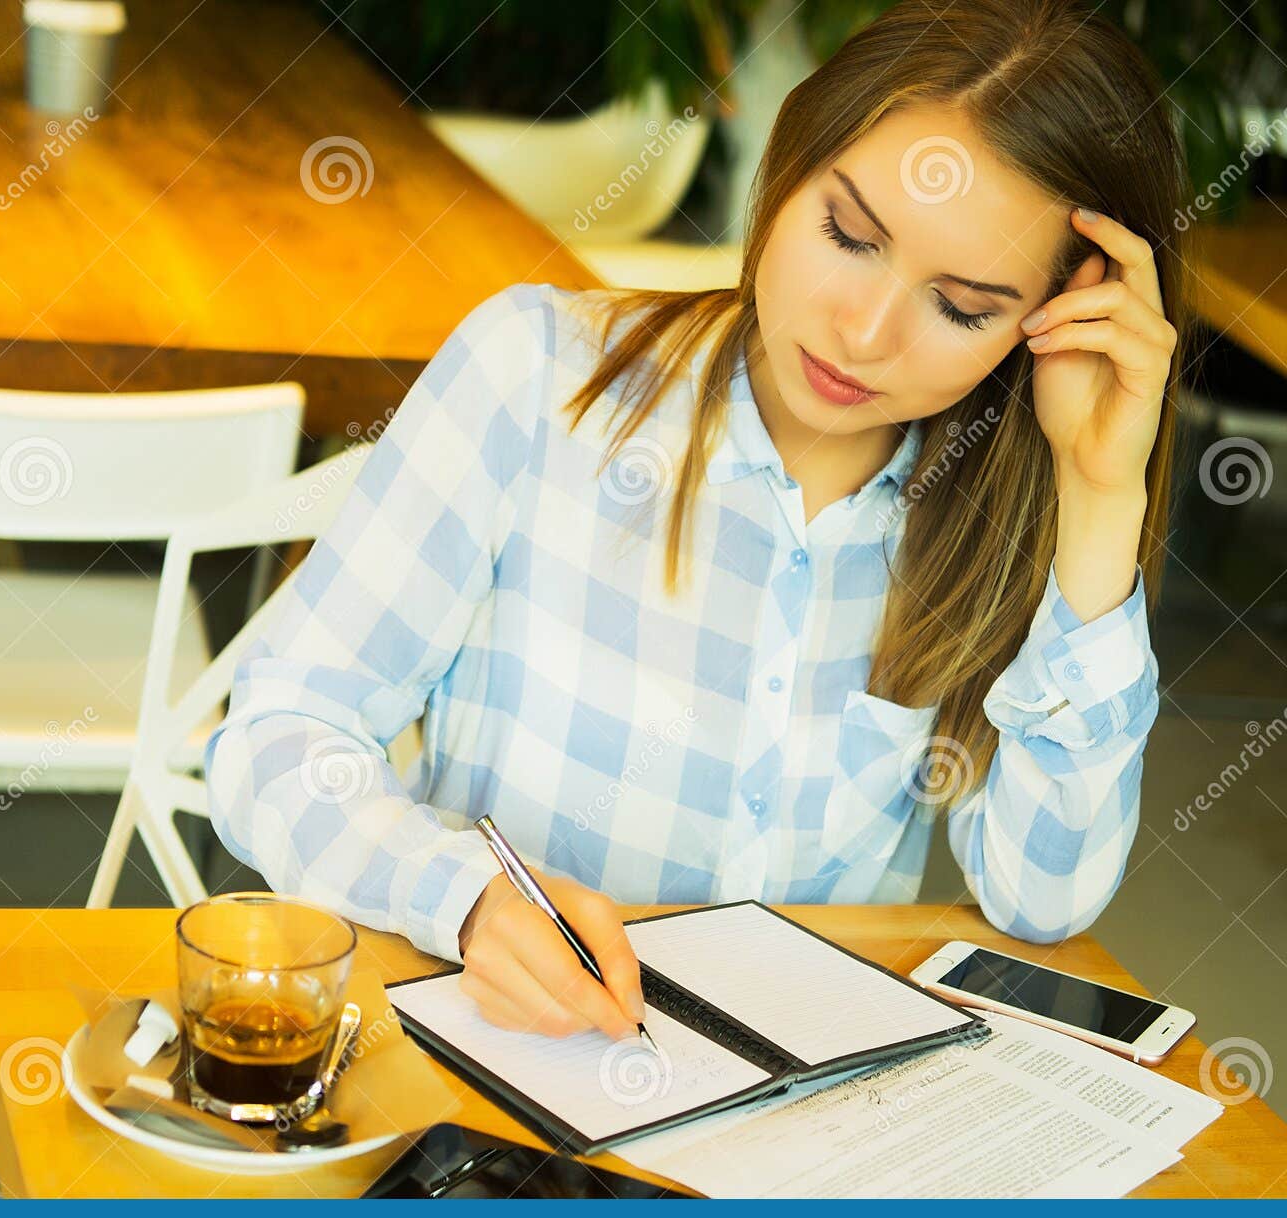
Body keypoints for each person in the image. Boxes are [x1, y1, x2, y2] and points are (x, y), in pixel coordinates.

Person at [206, 0, 1187, 1046]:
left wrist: (1096, 500)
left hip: (796, 1121)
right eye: (847, 234)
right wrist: (461, 895)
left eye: (962, 308)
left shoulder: (990, 500)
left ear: (1050, 319)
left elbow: (1043, 900)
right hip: (518, 1072)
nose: (864, 333)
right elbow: (278, 734)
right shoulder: (535, 375)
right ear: (784, 167)